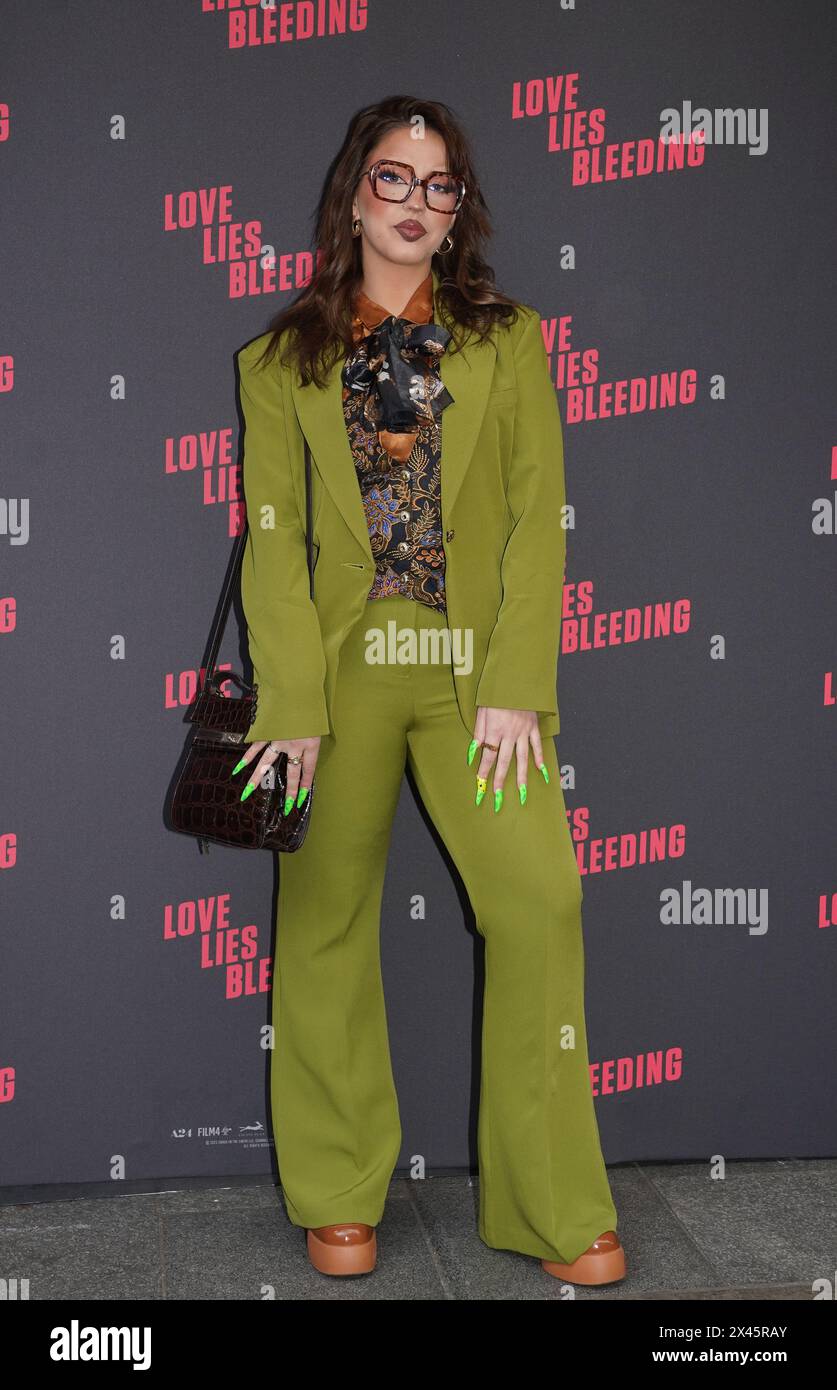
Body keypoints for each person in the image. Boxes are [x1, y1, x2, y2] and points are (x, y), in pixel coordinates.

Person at [232, 96, 625, 1286]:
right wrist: (291, 703)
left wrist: (517, 683)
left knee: (541, 907)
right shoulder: (277, 361)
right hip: (342, 679)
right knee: (325, 924)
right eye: (394, 178)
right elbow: (274, 543)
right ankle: (339, 1186)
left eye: (438, 184)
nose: (415, 200)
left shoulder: (512, 339)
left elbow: (532, 527)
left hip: (473, 681)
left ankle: (553, 1201)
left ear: (458, 213)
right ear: (355, 194)